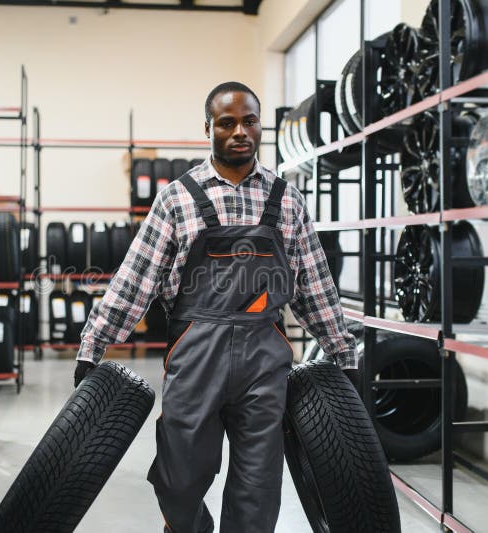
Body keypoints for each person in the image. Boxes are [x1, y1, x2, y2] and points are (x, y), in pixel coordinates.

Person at [74, 81, 357, 533]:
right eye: (227, 122)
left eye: (249, 121)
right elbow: (136, 279)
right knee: (178, 477)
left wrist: (343, 353)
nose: (240, 131)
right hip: (195, 354)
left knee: (258, 487)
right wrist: (95, 343)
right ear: (207, 128)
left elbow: (315, 287)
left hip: (265, 358)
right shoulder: (177, 199)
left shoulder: (287, 201)